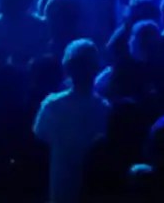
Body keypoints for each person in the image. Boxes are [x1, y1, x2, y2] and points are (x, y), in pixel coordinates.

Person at [34, 39, 111, 203]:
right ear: (96, 68)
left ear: (67, 68)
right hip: (96, 187)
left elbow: (40, 139)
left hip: (61, 184)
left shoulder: (52, 105)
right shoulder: (104, 108)